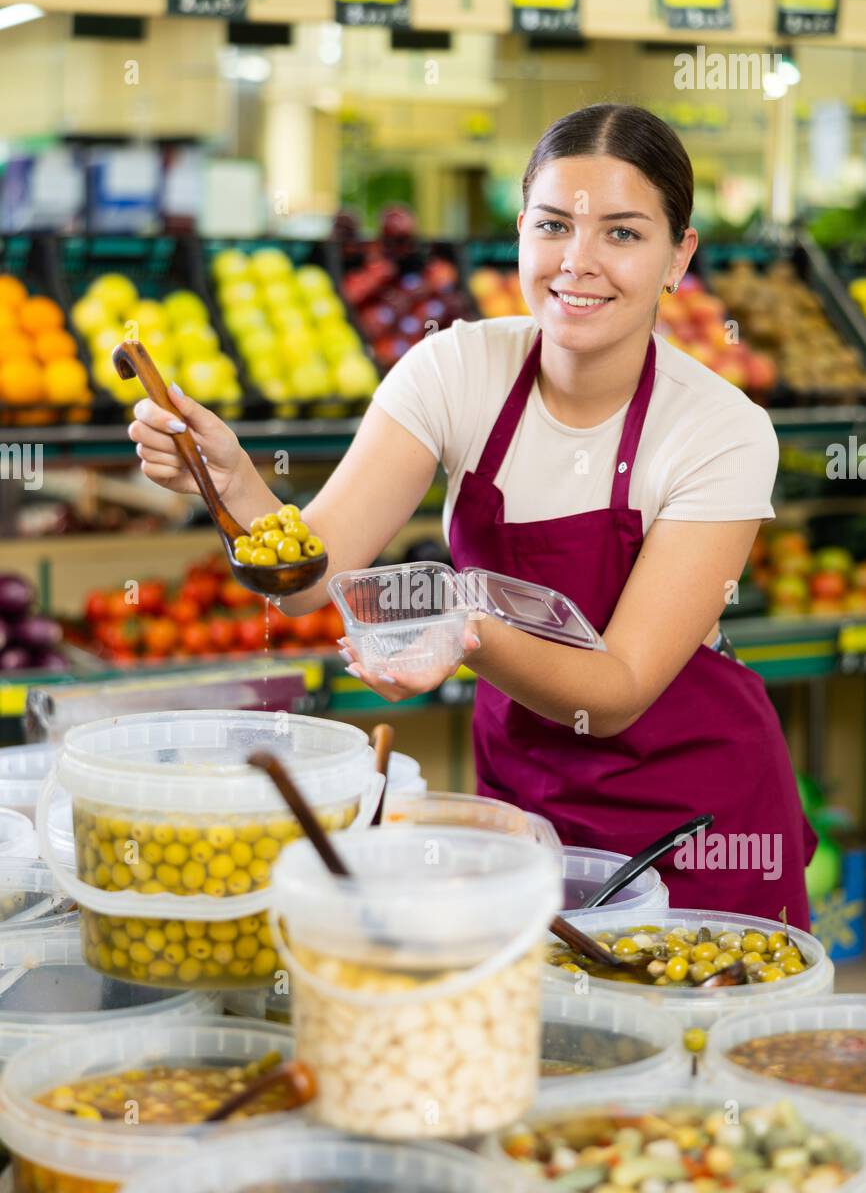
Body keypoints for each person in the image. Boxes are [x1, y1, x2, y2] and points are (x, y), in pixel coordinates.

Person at [129, 103, 814, 927]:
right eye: (555, 225)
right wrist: (235, 486)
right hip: (525, 813)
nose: (579, 262)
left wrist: (466, 630)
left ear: (679, 257)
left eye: (624, 234)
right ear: (521, 231)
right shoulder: (457, 370)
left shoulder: (720, 429)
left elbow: (621, 689)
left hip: (698, 824)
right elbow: (313, 580)